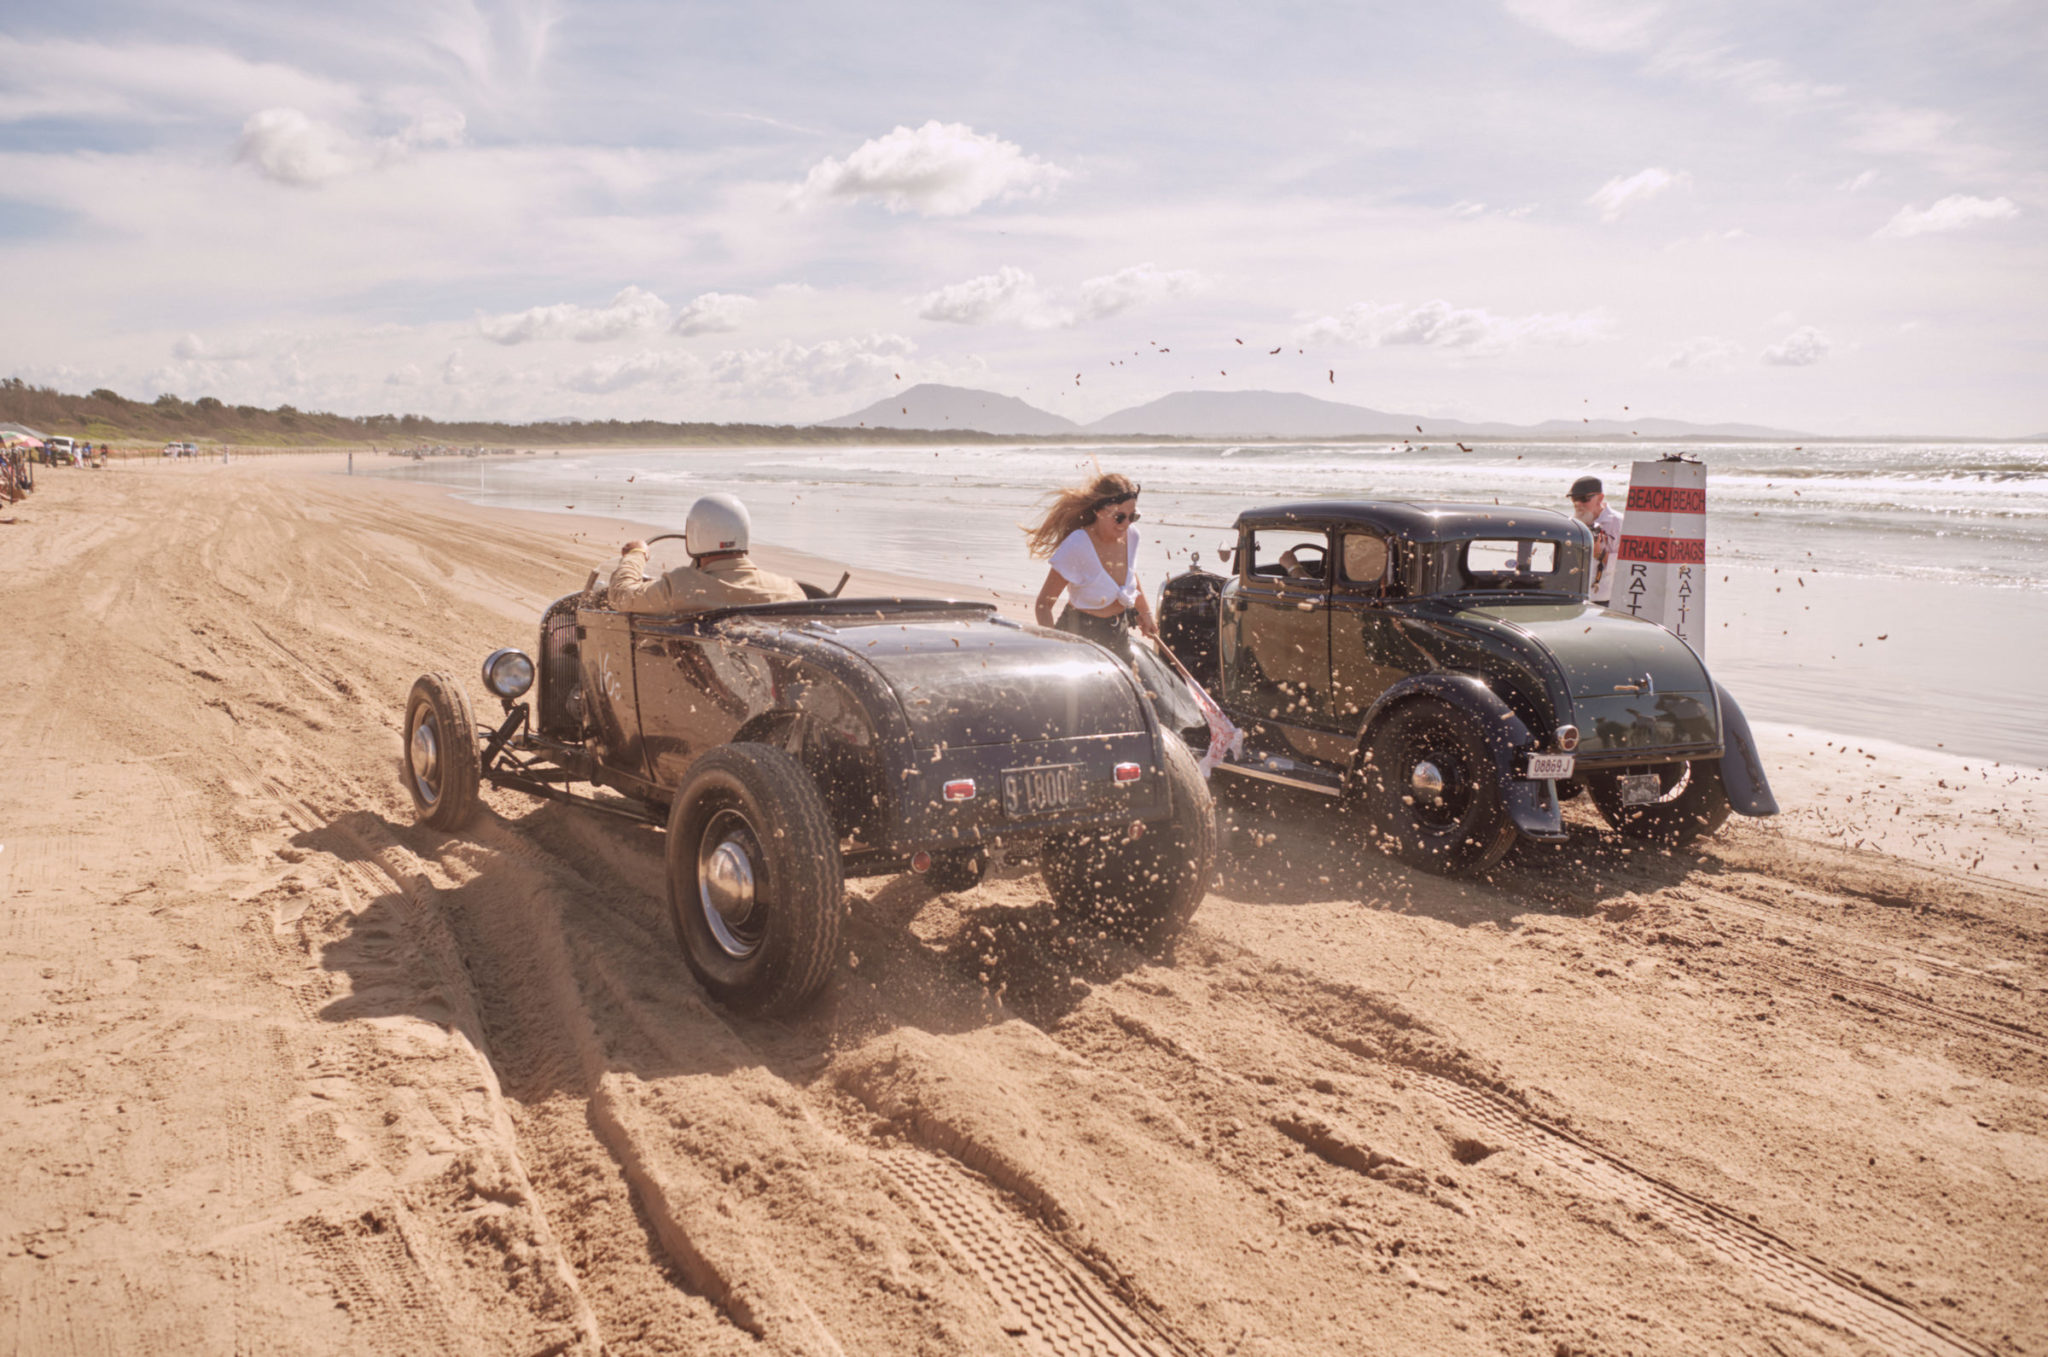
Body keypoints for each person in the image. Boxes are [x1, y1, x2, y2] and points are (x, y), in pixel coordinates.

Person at [1025, 473, 1203, 732]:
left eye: (1133, 516)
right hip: (1080, 636)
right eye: (1120, 516)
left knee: (1124, 709)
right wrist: (1054, 646)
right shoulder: (1077, 545)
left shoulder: (1132, 536)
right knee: (1082, 715)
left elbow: (1130, 576)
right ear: (1099, 511)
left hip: (1117, 632)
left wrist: (1144, 612)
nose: (1127, 523)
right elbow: (1043, 604)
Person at [608, 492, 804, 614]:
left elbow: (621, 596)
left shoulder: (682, 586)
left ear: (694, 533)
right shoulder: (789, 591)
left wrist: (635, 554)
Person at [1568, 474, 1623, 606]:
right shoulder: (1572, 523)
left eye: (1583, 499)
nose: (1578, 504)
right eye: (1574, 499)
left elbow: (1626, 565)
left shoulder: (1619, 523)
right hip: (1575, 595)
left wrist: (1600, 555)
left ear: (1600, 498)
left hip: (1605, 598)